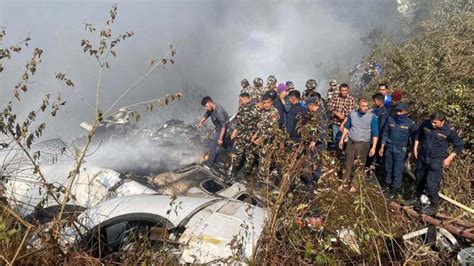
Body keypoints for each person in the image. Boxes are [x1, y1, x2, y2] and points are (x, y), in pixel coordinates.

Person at [407, 111, 463, 215]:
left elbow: (458, 145)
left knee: (431, 184)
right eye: (432, 122)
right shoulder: (426, 124)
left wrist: (449, 158)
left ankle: (433, 206)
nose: (433, 124)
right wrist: (415, 147)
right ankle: (417, 199)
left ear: (443, 121)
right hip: (423, 157)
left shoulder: (449, 130)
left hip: (436, 160)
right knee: (419, 179)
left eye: (435, 123)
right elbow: (419, 134)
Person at [339, 98, 379, 193]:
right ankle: (344, 181)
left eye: (366, 106)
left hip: (364, 143)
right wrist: (342, 139)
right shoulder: (353, 114)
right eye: (363, 106)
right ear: (359, 106)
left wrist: (373, 147)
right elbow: (347, 127)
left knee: (360, 164)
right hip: (351, 141)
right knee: (348, 162)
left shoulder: (372, 117)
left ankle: (354, 183)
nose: (365, 108)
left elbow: (375, 133)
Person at [378, 103, 418, 199]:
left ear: (406, 111)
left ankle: (395, 190)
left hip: (401, 150)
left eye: (401, 111)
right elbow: (385, 134)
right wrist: (382, 147)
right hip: (389, 148)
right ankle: (387, 186)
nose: (398, 113)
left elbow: (416, 137)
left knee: (397, 170)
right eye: (397, 111)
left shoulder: (410, 124)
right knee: (388, 168)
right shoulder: (390, 120)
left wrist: (414, 150)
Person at [246, 93, 279, 181]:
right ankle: (247, 174)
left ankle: (262, 182)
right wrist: (255, 134)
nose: (266, 105)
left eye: (268, 103)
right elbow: (261, 126)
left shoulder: (274, 113)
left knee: (264, 162)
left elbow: (272, 130)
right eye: (264, 103)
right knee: (251, 155)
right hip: (260, 139)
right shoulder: (264, 111)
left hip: (268, 142)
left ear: (271, 102)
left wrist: (261, 138)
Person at [299, 96, 328, 188]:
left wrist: (314, 141)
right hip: (315, 142)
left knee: (312, 161)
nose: (307, 108)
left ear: (312, 105)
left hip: (319, 143)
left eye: (308, 106)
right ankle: (313, 180)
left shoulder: (320, 114)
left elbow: (322, 130)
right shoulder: (315, 113)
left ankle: (310, 182)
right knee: (315, 161)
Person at [230, 93, 260, 179]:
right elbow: (239, 121)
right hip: (245, 137)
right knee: (244, 156)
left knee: (244, 156)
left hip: (247, 138)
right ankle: (238, 175)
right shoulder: (252, 108)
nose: (240, 102)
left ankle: (237, 175)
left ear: (246, 98)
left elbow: (259, 125)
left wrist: (256, 136)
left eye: (241, 100)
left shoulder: (251, 109)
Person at [197, 96, 231, 167]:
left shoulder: (219, 112)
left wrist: (220, 138)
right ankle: (232, 153)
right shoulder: (211, 108)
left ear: (210, 103)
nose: (206, 108)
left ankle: (209, 165)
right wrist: (200, 123)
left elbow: (223, 126)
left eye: (206, 106)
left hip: (223, 128)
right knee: (225, 145)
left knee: (212, 145)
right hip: (219, 128)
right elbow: (206, 115)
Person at [329, 83, 356, 148]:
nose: (344, 92)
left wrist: (343, 124)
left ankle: (344, 153)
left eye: (346, 90)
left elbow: (349, 113)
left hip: (346, 123)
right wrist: (337, 114)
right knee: (336, 139)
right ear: (339, 90)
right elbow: (330, 107)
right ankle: (337, 154)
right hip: (335, 122)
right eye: (342, 90)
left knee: (345, 139)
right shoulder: (335, 97)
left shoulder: (351, 99)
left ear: (348, 90)